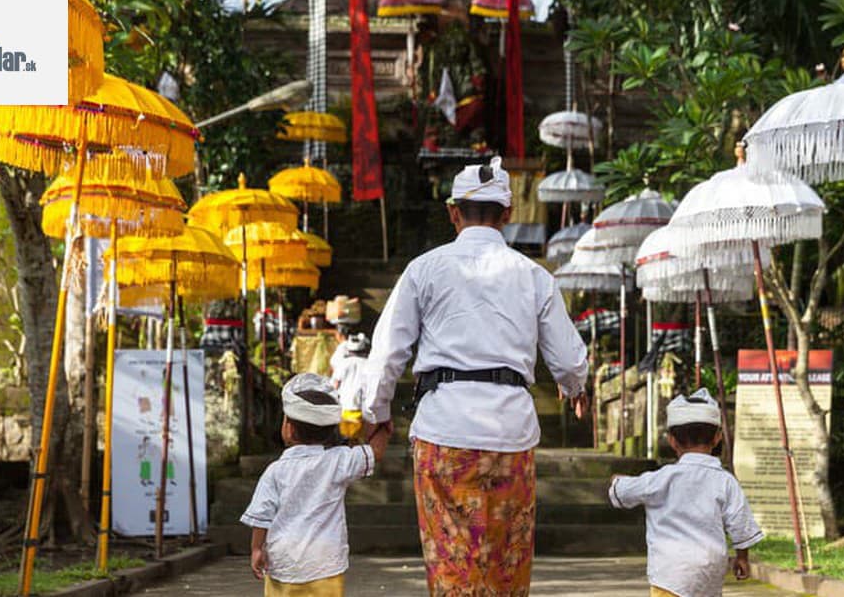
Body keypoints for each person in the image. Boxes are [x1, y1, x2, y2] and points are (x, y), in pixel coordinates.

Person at [361, 156, 589, 595]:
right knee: (506, 565)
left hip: (444, 430)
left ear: (453, 212)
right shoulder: (534, 276)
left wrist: (377, 412)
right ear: (508, 214)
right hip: (511, 434)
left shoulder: (423, 269)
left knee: (452, 564)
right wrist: (575, 387)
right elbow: (568, 358)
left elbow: (388, 350)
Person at [242, 373, 392, 596]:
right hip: (326, 562)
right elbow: (375, 452)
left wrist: (256, 549)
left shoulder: (276, 471)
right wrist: (383, 428)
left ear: (289, 429)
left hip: (284, 562)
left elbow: (262, 516)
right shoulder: (339, 460)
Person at [608, 389, 764, 597]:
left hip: (670, 573)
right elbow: (740, 524)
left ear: (672, 440)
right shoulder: (725, 480)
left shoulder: (662, 478)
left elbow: (623, 492)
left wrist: (617, 480)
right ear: (717, 438)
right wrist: (742, 558)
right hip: (710, 571)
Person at [329, 332, 371, 439]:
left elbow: (335, 384)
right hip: (362, 408)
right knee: (359, 441)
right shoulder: (368, 363)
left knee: (345, 439)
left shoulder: (343, 363)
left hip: (345, 406)